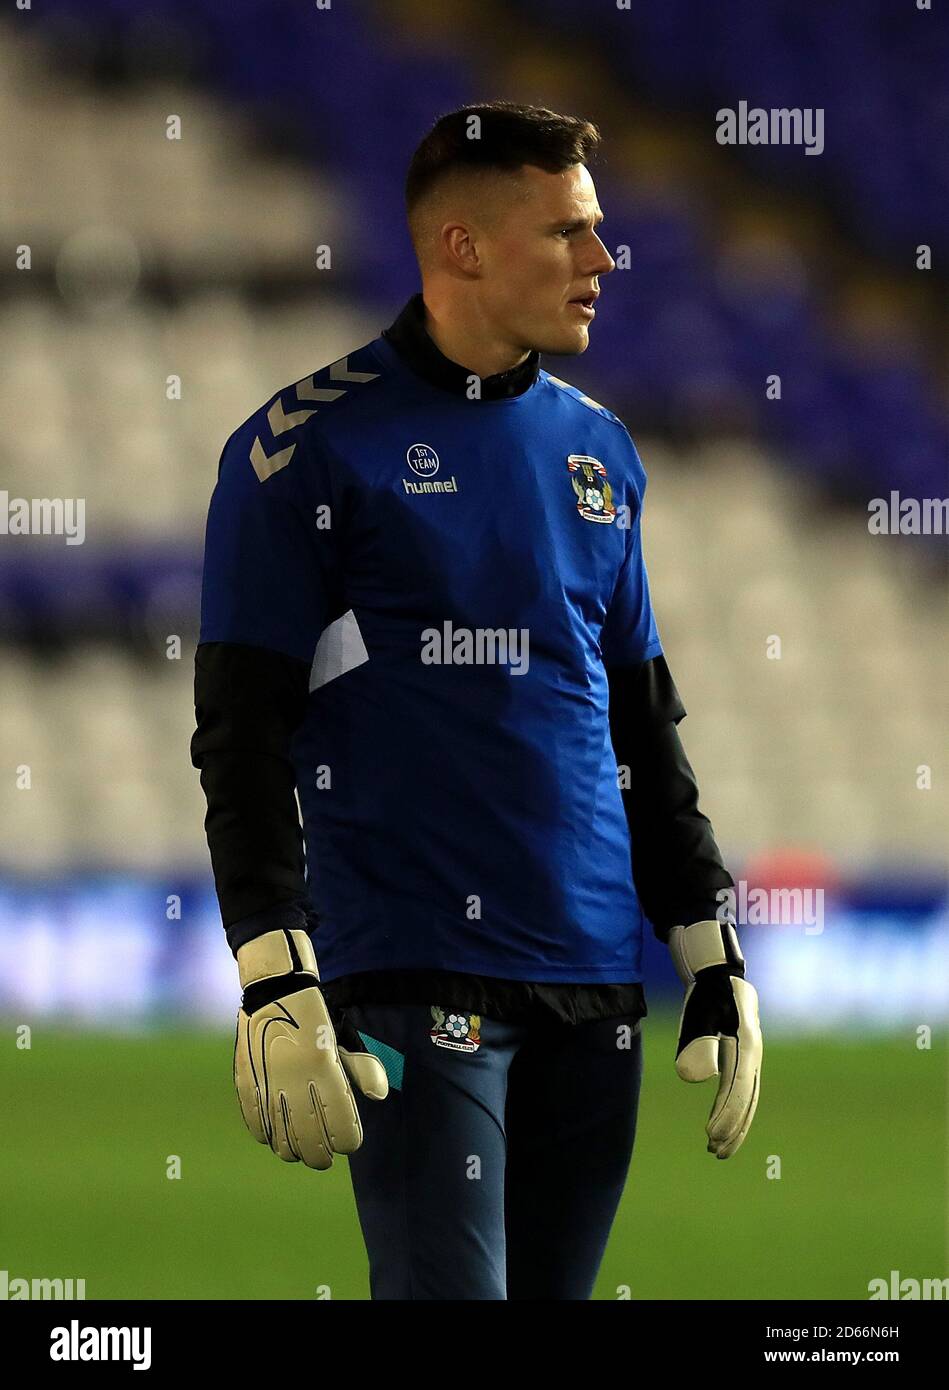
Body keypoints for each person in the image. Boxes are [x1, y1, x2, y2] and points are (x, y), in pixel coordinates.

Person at [191, 101, 762, 1301]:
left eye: (597, 230)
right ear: (462, 248)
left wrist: (708, 945)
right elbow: (241, 734)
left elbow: (638, 725)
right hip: (412, 967)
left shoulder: (603, 452)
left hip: (597, 980)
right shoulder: (302, 451)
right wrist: (273, 968)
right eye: (567, 232)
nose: (603, 260)